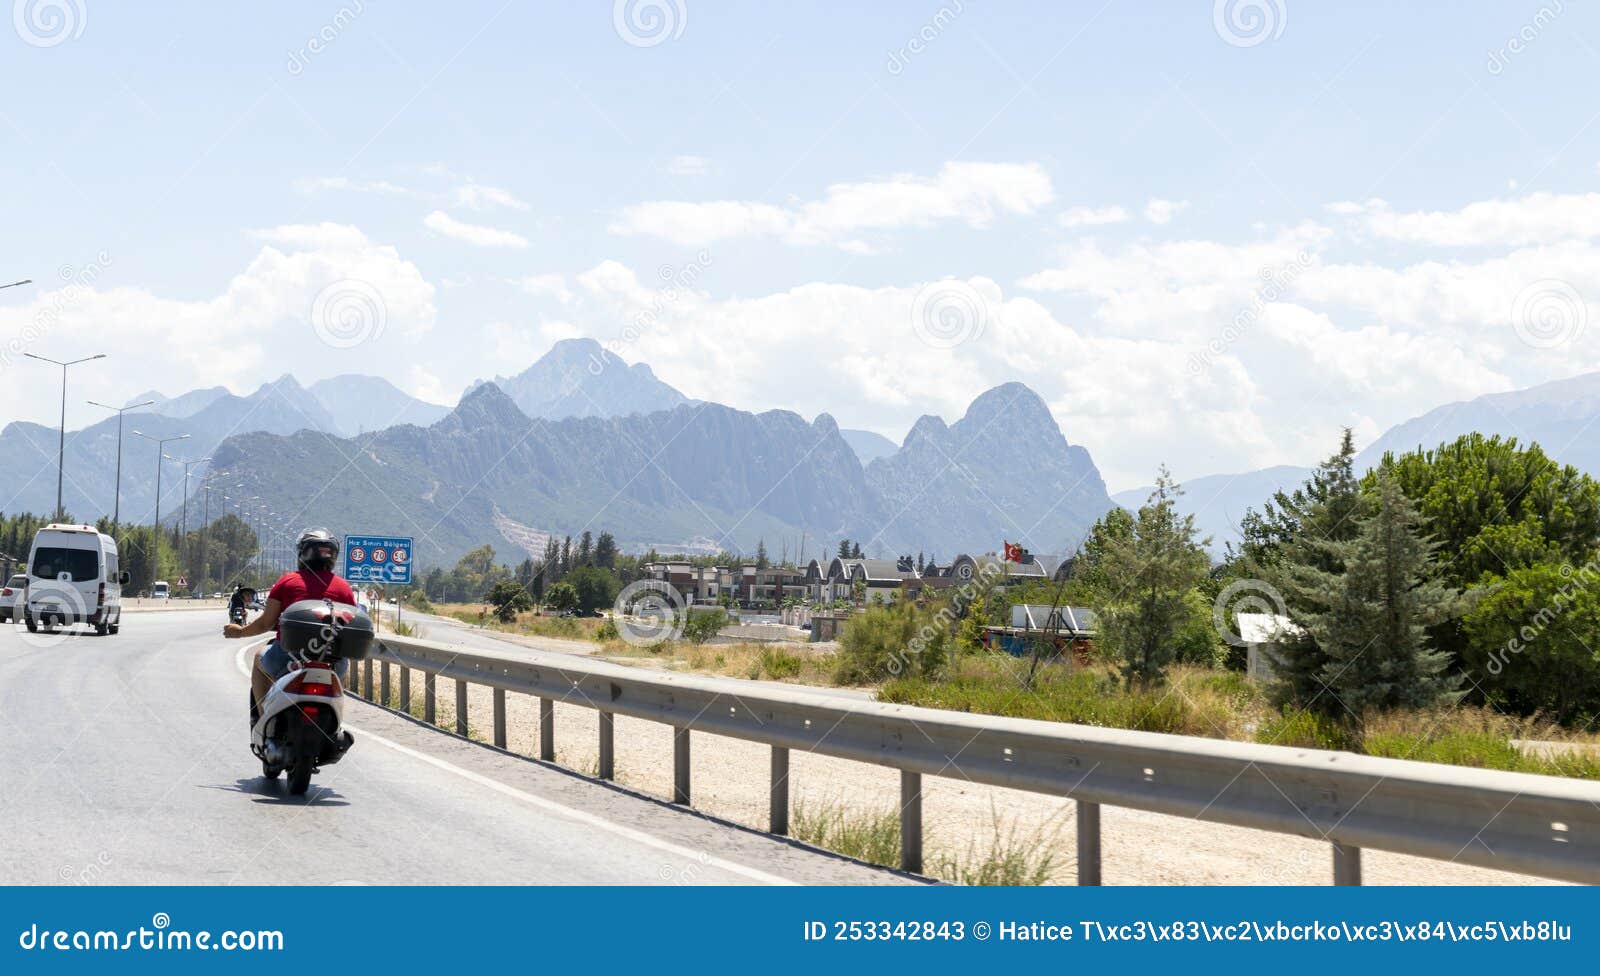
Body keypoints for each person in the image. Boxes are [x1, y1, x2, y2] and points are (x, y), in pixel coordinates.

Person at [225, 528, 356, 718]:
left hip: (287, 659)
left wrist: (239, 632)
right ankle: (336, 720)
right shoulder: (344, 588)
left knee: (259, 657)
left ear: (303, 553)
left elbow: (265, 624)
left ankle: (263, 718)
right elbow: (349, 626)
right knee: (342, 674)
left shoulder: (287, 582)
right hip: (333, 663)